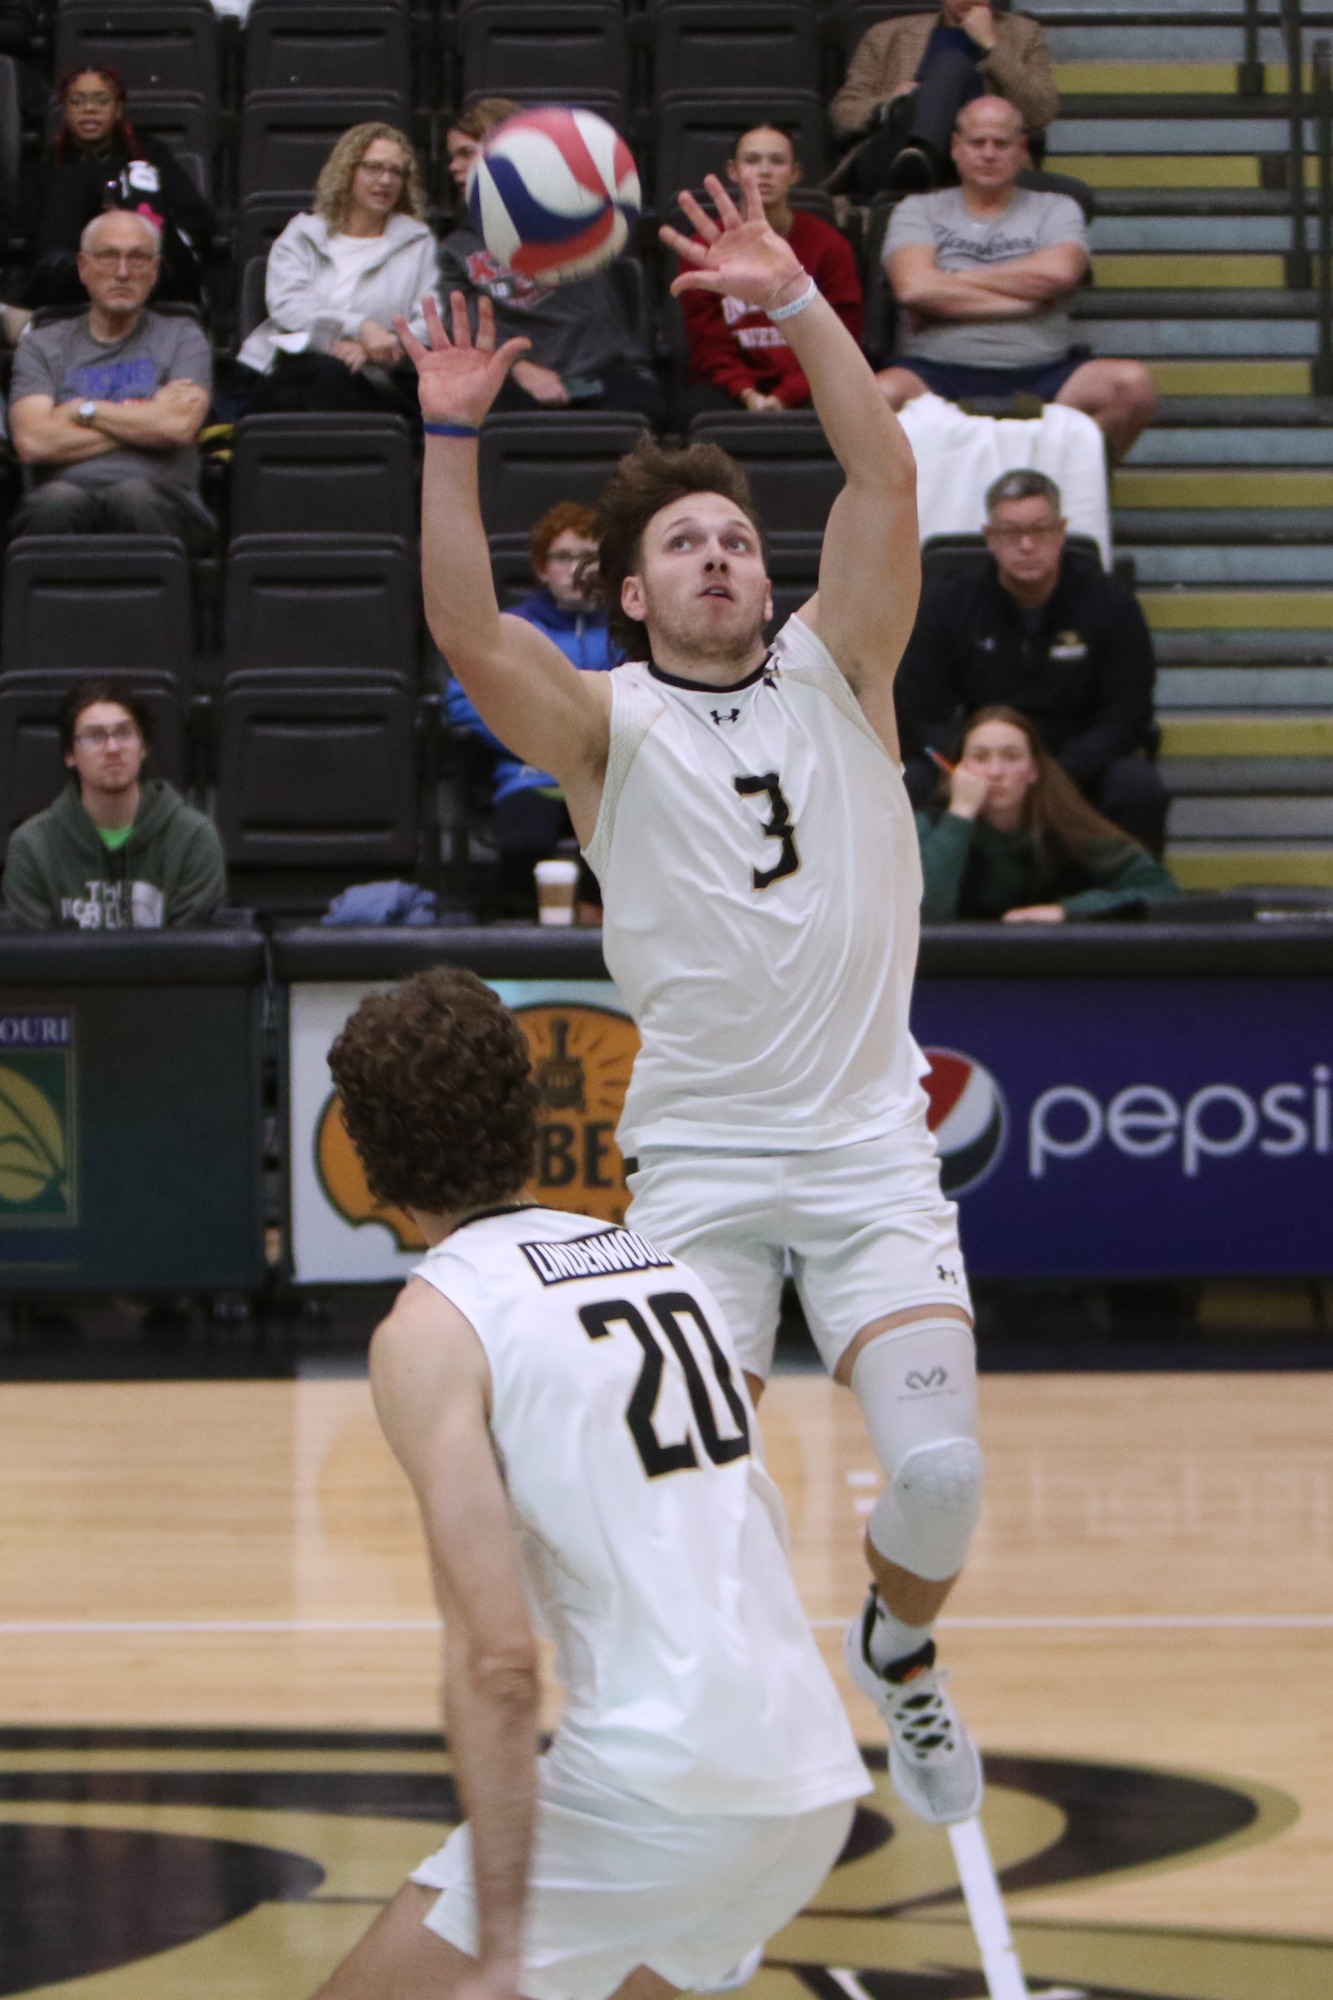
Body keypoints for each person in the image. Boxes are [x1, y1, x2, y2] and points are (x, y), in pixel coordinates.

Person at [399, 171, 987, 1828]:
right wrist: (450, 432)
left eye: (736, 536)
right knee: (676, 1498)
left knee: (938, 1477)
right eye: (686, 547)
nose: (723, 556)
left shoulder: (843, 661)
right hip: (706, 1170)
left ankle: (898, 1651)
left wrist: (792, 303)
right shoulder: (601, 728)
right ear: (635, 595)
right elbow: (459, 622)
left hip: (870, 1153)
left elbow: (881, 469)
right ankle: (675, 1735)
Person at [314, 965, 871, 2000]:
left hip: (655, 1794)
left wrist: (505, 1946)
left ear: (365, 1150)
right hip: (808, 1782)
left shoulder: (434, 1328)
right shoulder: (660, 1265)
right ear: (527, 1115)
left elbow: (496, 1658)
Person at [896, 469, 1169, 853]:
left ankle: (1132, 905)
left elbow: (1127, 716)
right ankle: (916, 910)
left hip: (1074, 766)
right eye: (1010, 532)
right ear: (990, 537)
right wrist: (983, 766)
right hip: (977, 762)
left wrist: (1050, 774)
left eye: (1040, 530)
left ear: (1061, 532)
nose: (1026, 545)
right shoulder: (947, 605)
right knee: (910, 783)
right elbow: (922, 713)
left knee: (1137, 787)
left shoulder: (1112, 605)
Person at [878, 97, 1158, 461]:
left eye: (1002, 143)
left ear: (1022, 150)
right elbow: (913, 287)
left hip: (1045, 372)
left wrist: (949, 282)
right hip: (933, 373)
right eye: (977, 143)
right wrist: (1027, 301)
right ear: (956, 148)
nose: (989, 154)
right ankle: (902, 511)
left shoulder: (1056, 208)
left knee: (1133, 387)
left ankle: (1073, 486)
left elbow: (1059, 274)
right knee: (873, 398)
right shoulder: (918, 210)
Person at [440, 99, 666, 427]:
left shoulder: (578, 217)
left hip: (596, 368)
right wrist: (518, 368)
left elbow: (596, 321)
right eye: (451, 156)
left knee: (643, 410)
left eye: (465, 153)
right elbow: (462, 326)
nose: (453, 167)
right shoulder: (456, 249)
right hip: (508, 375)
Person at [444, 501, 618, 919]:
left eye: (589, 557)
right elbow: (459, 699)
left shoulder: (629, 627)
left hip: (606, 775)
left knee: (616, 844)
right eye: (563, 557)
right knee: (523, 844)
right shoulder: (508, 629)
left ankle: (598, 933)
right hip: (528, 772)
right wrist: (530, 732)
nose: (577, 569)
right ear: (542, 568)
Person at [8, 210, 214, 549]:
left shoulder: (183, 337)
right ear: (83, 268)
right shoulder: (41, 344)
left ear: (154, 271)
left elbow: (176, 427)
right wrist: (145, 417)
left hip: (160, 501)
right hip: (59, 497)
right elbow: (32, 442)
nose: (122, 272)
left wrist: (81, 411)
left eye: (137, 258)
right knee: (58, 502)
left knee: (132, 496)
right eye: (108, 256)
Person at [237, 124, 439, 417]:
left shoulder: (418, 242)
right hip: (298, 366)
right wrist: (361, 327)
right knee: (316, 379)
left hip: (381, 377)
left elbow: (432, 321)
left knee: (321, 386)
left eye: (397, 172)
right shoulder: (302, 234)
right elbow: (289, 308)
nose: (386, 180)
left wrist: (374, 350)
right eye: (373, 167)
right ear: (347, 171)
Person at [672, 124, 863, 430]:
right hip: (730, 386)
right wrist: (746, 392)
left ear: (795, 173)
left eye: (777, 161)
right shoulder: (704, 248)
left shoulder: (830, 246)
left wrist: (788, 394)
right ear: (733, 172)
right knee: (690, 413)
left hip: (812, 382)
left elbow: (842, 338)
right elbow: (708, 345)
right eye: (752, 160)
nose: (764, 171)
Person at [917, 705, 1179, 921]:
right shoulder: (927, 827)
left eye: (1011, 756)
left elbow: (1161, 890)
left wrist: (1066, 910)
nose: (995, 771)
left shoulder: (1066, 826)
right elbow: (925, 915)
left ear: (1034, 770)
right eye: (980, 756)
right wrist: (960, 814)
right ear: (956, 769)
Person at [2, 679, 227, 929]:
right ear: (70, 755)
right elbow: (34, 961)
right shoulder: (31, 847)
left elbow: (196, 959)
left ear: (143, 747)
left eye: (124, 733)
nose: (112, 748)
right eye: (94, 736)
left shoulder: (193, 838)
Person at [17, 66, 213, 309]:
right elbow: (31, 239)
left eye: (101, 100)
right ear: (65, 111)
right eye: (77, 101)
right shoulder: (45, 168)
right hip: (71, 286)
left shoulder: (150, 156)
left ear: (119, 109)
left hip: (149, 281)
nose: (89, 109)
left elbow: (195, 220)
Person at [831, 0, 1057, 197]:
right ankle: (918, 158)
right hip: (893, 160)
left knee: (1077, 196)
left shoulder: (1025, 35)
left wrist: (993, 46)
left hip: (985, 162)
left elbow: (1040, 112)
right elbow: (844, 112)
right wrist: (891, 101)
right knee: (952, 63)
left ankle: (923, 162)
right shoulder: (887, 35)